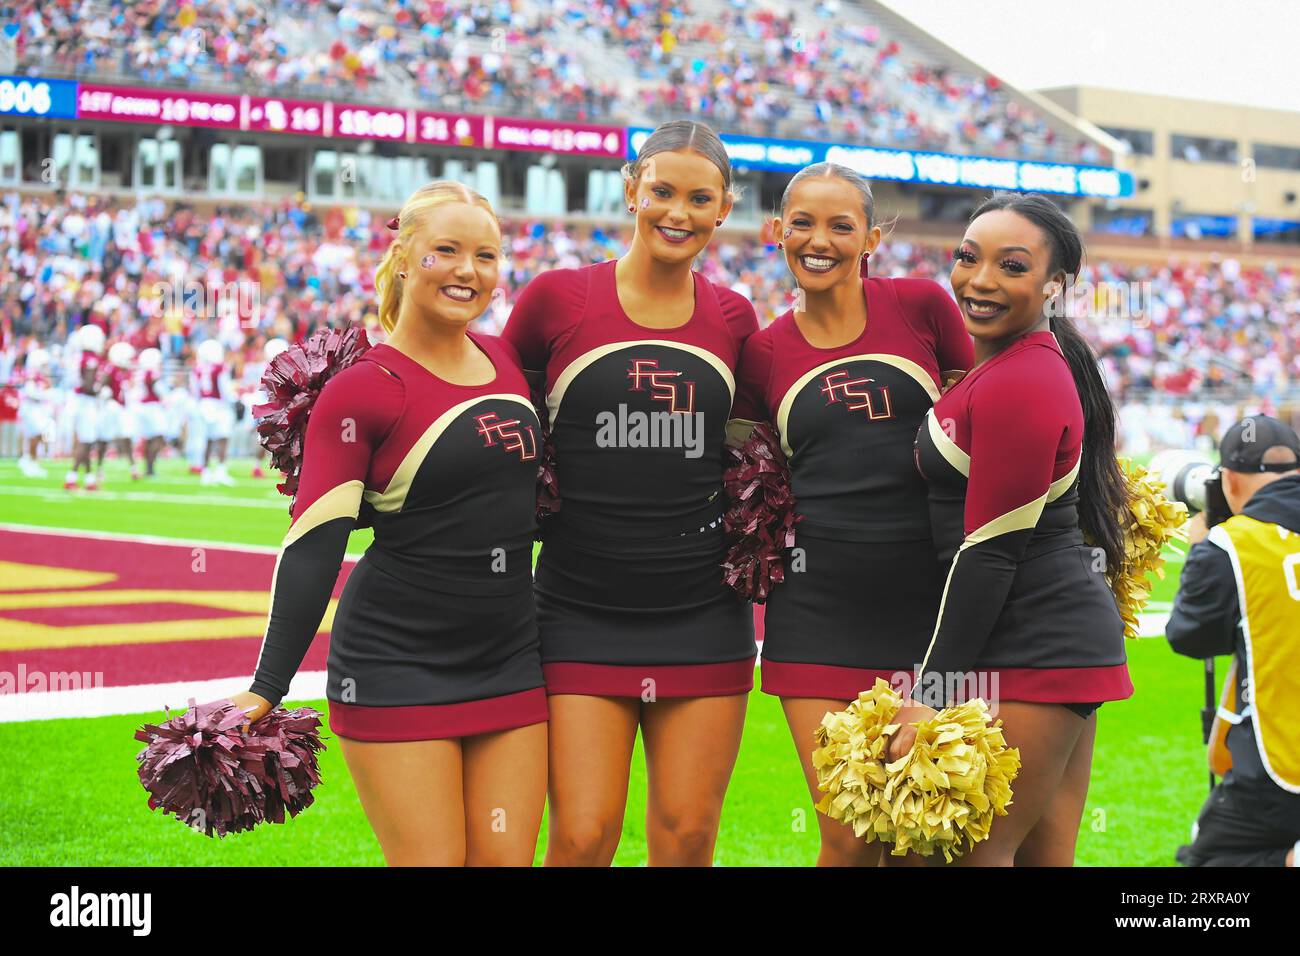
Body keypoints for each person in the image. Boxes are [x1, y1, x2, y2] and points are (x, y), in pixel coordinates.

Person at [220, 181, 548, 866]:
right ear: (404, 258)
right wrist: (267, 686)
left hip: (512, 658)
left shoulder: (508, 361)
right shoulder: (364, 388)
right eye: (447, 251)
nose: (468, 271)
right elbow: (314, 545)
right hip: (398, 663)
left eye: (485, 256)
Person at [502, 120, 759, 866]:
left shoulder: (735, 318)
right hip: (579, 607)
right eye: (663, 192)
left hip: (703, 610)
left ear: (724, 208)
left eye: (699, 199)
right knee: (582, 837)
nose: (678, 213)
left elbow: (757, 451)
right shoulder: (556, 299)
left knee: (686, 838)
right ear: (631, 189)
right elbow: (491, 413)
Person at [729, 162, 972, 866]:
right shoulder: (764, 351)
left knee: (926, 830)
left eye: (841, 225)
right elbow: (740, 470)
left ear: (872, 235)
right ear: (777, 230)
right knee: (850, 832)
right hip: (817, 612)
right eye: (802, 221)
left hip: (931, 605)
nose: (820, 239)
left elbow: (979, 422)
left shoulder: (924, 307)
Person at [902, 191, 1134, 866]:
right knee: (1036, 858)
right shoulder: (1007, 366)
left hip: (1037, 644)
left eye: (1011, 266)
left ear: (1053, 286)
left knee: (969, 854)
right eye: (968, 258)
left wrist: (929, 695)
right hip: (1044, 641)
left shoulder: (1024, 378)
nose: (979, 280)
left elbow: (989, 553)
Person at [1167, 414, 1300, 867]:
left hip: (1282, 764)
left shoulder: (1232, 546)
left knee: (1210, 859)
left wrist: (1203, 546)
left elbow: (1189, 636)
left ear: (1228, 480)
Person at [66, 324, 106, 493]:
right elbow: (89, 385)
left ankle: (89, 479)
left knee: (85, 441)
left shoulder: (80, 356)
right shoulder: (90, 358)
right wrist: (100, 389)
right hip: (85, 401)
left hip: (76, 399)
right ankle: (71, 477)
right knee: (86, 441)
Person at [192, 339, 235, 486]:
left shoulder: (197, 368)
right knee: (223, 438)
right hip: (218, 405)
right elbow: (225, 389)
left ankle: (205, 472)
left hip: (203, 404)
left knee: (208, 440)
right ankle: (220, 471)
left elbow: (195, 391)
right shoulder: (220, 367)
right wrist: (232, 402)